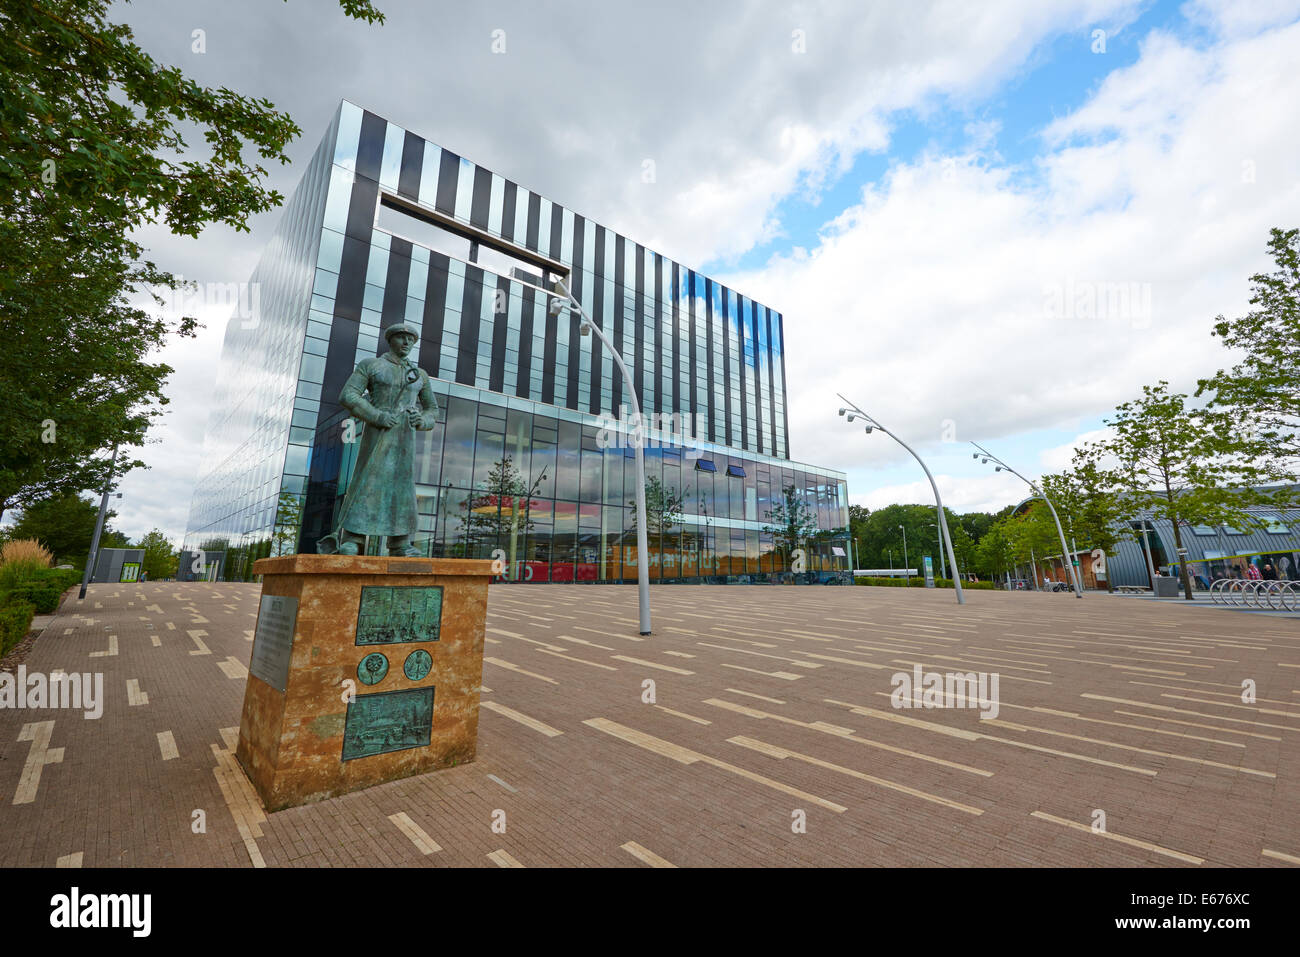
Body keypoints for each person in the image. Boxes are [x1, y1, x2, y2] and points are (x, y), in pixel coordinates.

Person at [317, 321, 440, 557]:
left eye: (411, 340)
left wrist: (421, 420)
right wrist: (376, 415)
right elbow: (348, 395)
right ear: (391, 340)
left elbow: (432, 410)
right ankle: (353, 539)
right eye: (402, 338)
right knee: (367, 481)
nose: (406, 343)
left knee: (401, 487)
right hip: (377, 433)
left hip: (405, 439)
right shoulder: (371, 365)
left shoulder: (419, 375)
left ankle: (400, 542)